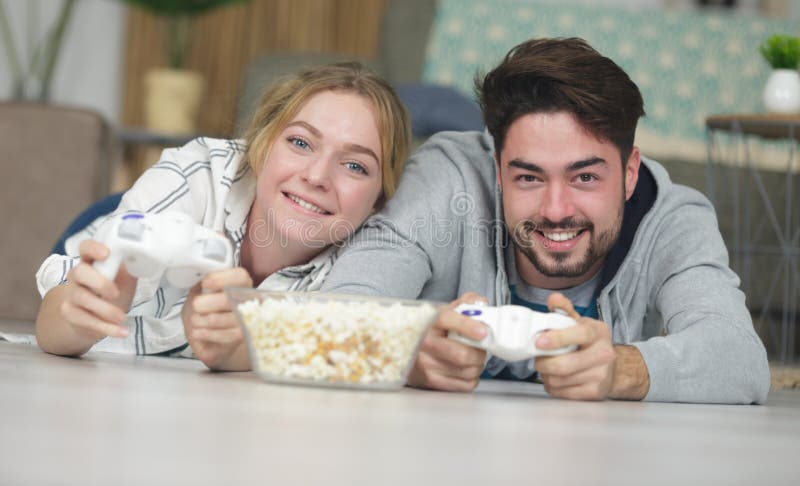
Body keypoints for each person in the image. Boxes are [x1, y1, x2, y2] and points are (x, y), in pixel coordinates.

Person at [320, 38, 771, 404]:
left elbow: (741, 358)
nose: (556, 211)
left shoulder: (673, 220)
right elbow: (335, 313)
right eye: (529, 177)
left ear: (630, 173)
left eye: (585, 177)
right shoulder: (447, 180)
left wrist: (623, 369)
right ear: (498, 171)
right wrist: (405, 350)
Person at [35, 62, 411, 371]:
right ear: (262, 144)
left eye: (355, 166)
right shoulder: (197, 172)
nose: (316, 176)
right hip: (97, 237)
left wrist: (235, 345)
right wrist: (83, 314)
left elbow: (330, 354)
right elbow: (54, 325)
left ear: (378, 200)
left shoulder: (372, 263)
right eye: (300, 142)